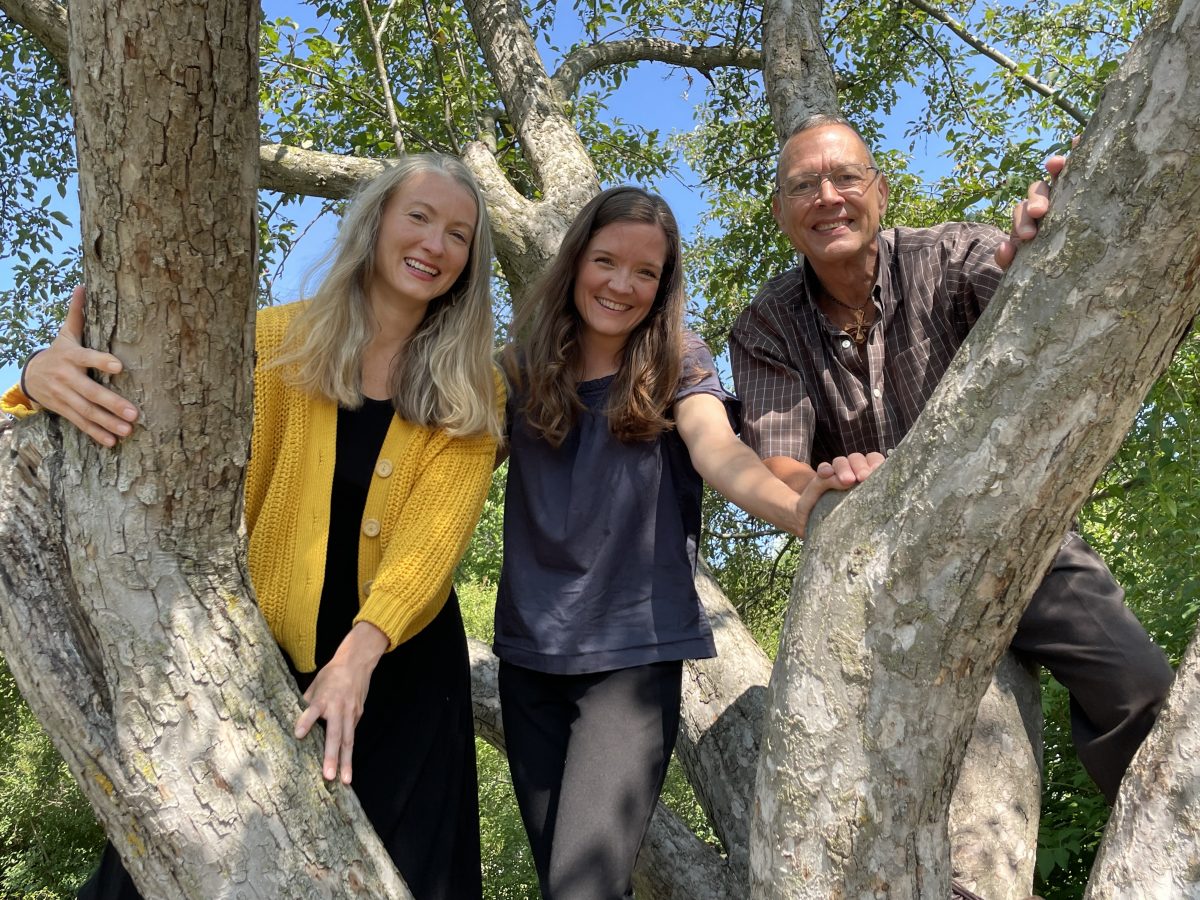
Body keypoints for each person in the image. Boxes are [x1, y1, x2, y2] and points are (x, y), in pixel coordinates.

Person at [4, 153, 503, 899]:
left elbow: (433, 542)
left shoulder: (473, 386)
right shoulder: (270, 342)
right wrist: (37, 375)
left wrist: (357, 657)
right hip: (255, 655)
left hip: (397, 669)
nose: (436, 244)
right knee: (163, 870)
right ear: (375, 225)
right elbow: (137, 416)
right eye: (419, 217)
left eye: (459, 235)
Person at [729, 113, 1174, 804]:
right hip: (879, 577)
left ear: (880, 192)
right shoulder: (766, 323)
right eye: (804, 185)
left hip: (1016, 536)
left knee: (1141, 692)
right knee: (868, 783)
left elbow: (1026, 287)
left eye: (847, 177)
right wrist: (834, 489)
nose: (828, 196)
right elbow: (780, 467)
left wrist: (1049, 244)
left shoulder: (949, 254)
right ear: (783, 213)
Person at [494, 186, 812, 900]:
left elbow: (719, 453)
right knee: (569, 882)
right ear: (576, 262)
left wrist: (802, 514)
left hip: (632, 660)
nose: (622, 284)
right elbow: (441, 468)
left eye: (646, 272)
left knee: (581, 888)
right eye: (606, 261)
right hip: (528, 655)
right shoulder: (520, 367)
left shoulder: (676, 356)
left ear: (664, 284)